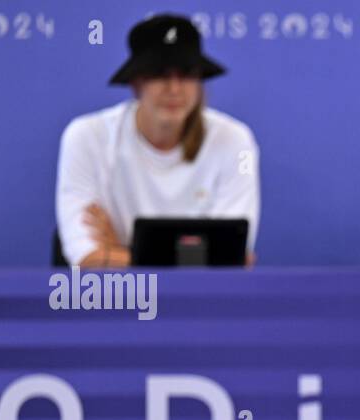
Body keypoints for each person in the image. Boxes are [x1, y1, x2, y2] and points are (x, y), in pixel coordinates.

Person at [55, 13, 260, 268]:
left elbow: (230, 254)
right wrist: (195, 259)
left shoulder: (236, 143)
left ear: (200, 82)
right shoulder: (86, 137)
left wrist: (118, 251)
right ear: (135, 82)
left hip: (201, 302)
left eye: (186, 74)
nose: (174, 89)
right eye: (159, 74)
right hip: (117, 300)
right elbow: (84, 257)